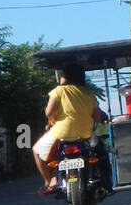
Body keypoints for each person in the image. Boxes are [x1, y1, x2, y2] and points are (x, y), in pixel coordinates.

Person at [33, 64, 109, 195]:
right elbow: (97, 117)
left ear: (65, 77)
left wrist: (52, 122)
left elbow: (49, 112)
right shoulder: (88, 93)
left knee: (36, 150)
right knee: (101, 153)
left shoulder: (58, 91)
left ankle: (49, 181)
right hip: (85, 134)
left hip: (61, 133)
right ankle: (106, 184)